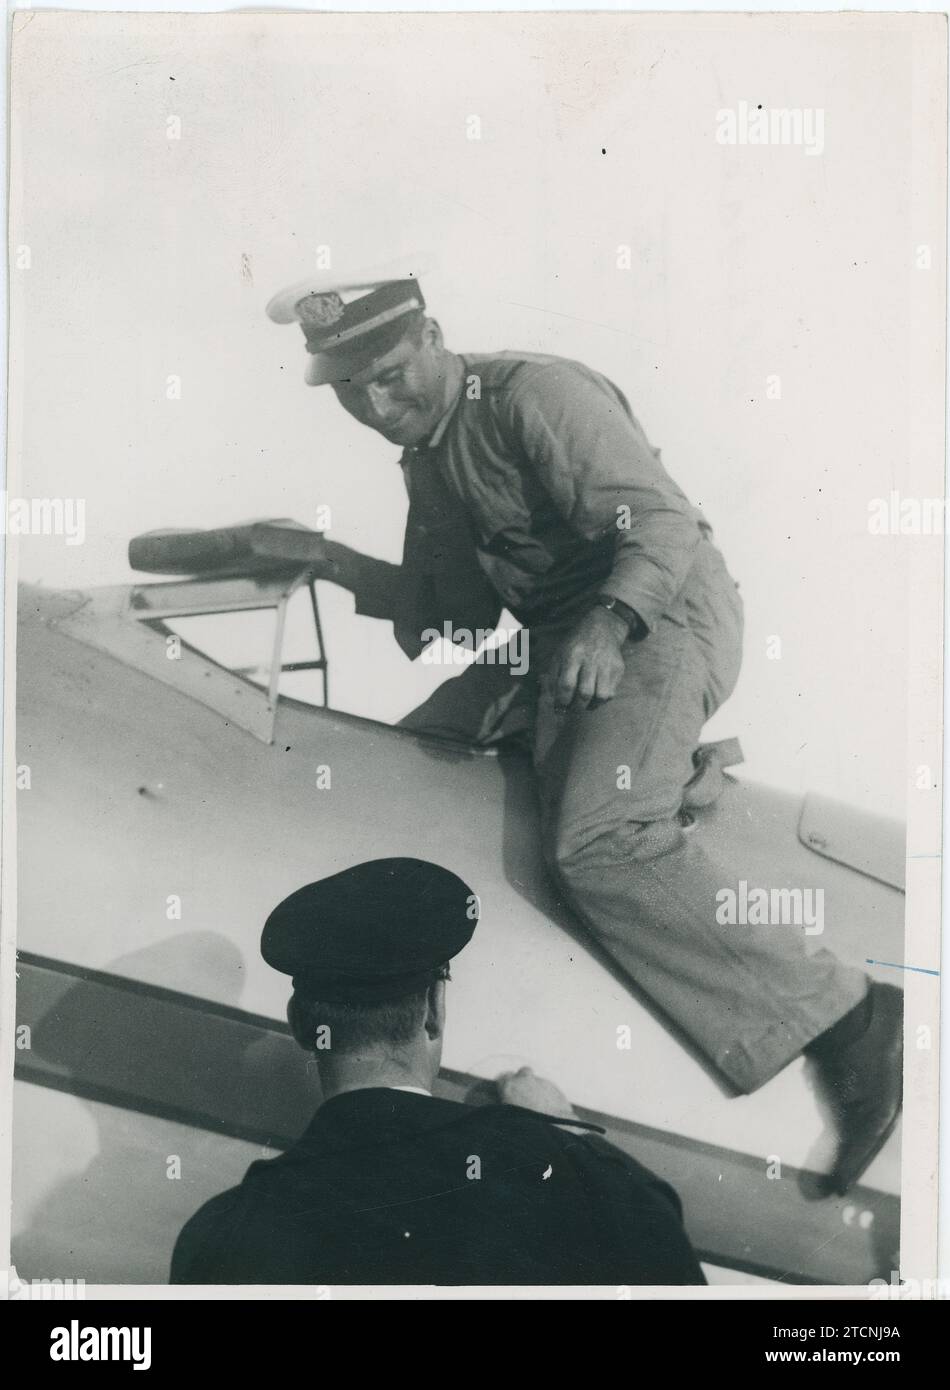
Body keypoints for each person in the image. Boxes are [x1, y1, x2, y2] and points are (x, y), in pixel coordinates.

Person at [260, 275, 903, 1195]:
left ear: (434, 336)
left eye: (392, 375)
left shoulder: (532, 395)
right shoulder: (431, 456)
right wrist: (321, 558)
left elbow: (663, 522)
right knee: (401, 771)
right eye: (351, 391)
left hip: (662, 617)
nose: (376, 402)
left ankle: (846, 1018)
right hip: (558, 643)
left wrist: (608, 624)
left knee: (599, 838)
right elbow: (453, 614)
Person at [170, 858, 706, 1285]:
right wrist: (559, 1133)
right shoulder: (567, 1174)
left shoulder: (219, 1238)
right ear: (433, 1010)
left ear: (301, 1024)